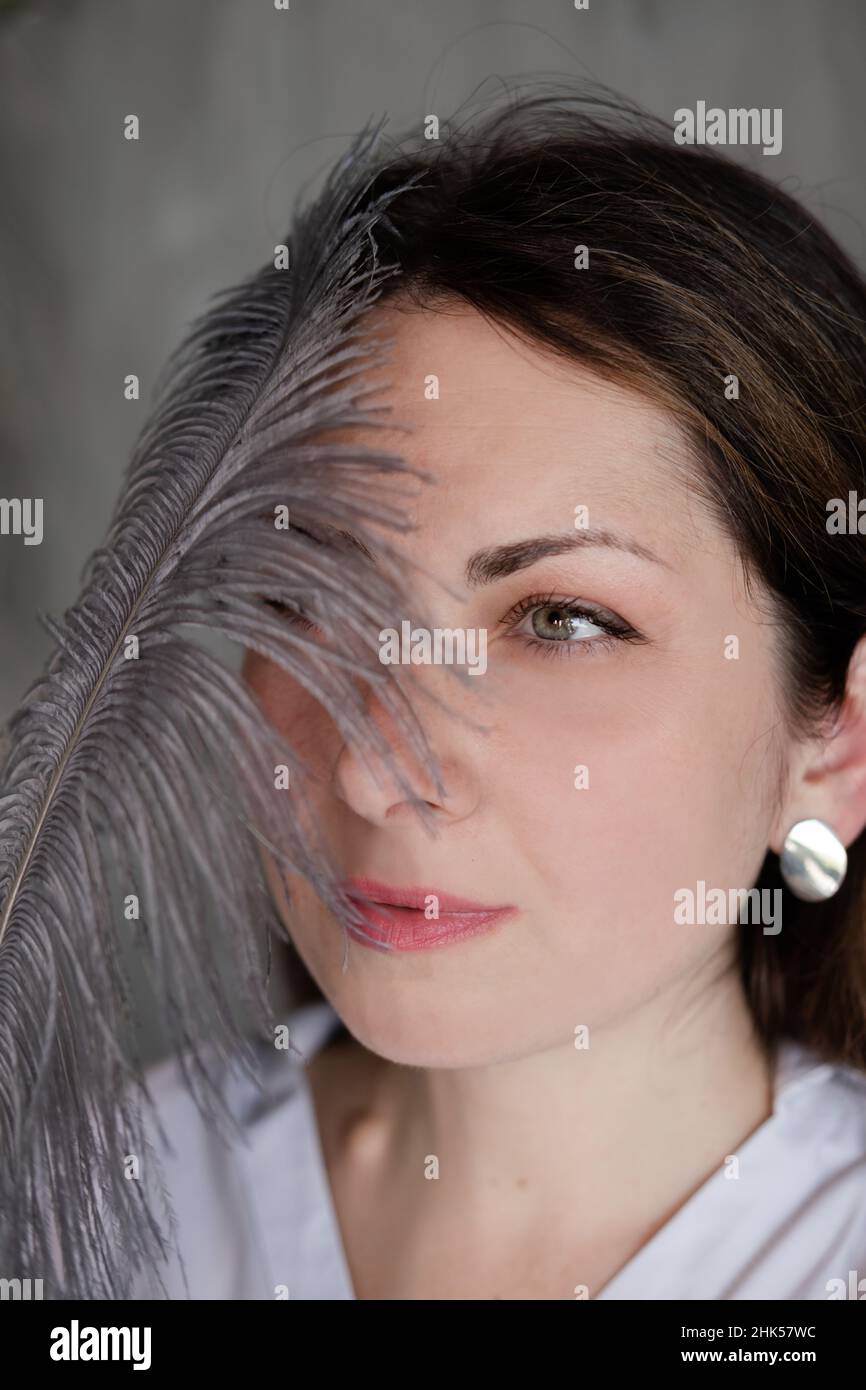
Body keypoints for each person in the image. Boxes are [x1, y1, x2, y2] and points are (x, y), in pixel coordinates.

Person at [131, 88, 866, 1301]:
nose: (371, 768)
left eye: (561, 621)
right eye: (309, 591)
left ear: (836, 745)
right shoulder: (87, 1202)